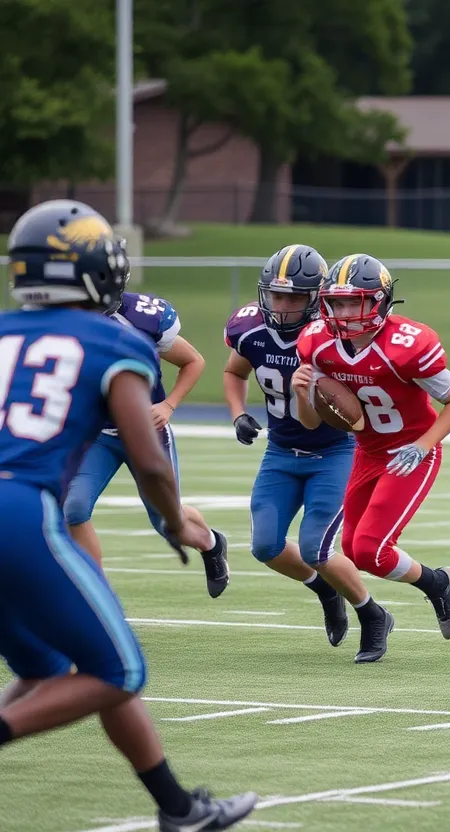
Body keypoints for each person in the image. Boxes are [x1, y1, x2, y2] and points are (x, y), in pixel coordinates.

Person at [0, 199, 255, 830]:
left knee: (49, 669)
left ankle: (179, 809)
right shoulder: (114, 338)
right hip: (18, 513)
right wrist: (172, 520)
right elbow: (150, 459)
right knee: (121, 670)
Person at [224, 245, 393, 663]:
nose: (282, 306)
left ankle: (372, 614)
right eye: (276, 295)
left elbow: (354, 402)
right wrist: (237, 414)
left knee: (317, 546)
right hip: (280, 450)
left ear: (316, 298)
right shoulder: (250, 329)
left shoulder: (329, 334)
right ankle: (323, 590)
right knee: (265, 546)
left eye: (295, 297)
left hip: (335, 452)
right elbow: (233, 370)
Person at [294, 254, 450, 645]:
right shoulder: (316, 343)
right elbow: (310, 422)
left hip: (411, 452)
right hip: (367, 451)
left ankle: (436, 587)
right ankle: (438, 581)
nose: (343, 312)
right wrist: (301, 393)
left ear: (379, 301)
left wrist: (423, 446)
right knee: (354, 552)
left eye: (352, 301)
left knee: (372, 549)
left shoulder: (408, 344)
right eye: (336, 303)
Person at [60, 271, 230, 598]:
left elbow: (193, 361)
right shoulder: (66, 320)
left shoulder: (142, 318)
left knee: (169, 523)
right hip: (99, 434)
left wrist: (168, 405)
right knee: (74, 509)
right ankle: (94, 596)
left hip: (145, 432)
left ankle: (211, 543)